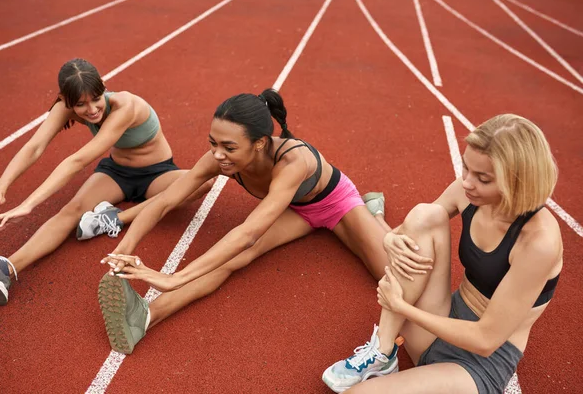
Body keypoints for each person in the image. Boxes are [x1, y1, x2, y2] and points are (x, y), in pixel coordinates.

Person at [94, 88, 432, 355]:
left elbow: (250, 231)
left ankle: (373, 214)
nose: (217, 155)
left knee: (396, 283)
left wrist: (173, 277)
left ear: (259, 144)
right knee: (232, 260)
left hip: (334, 202)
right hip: (293, 209)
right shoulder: (219, 158)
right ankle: (146, 316)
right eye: (212, 143)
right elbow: (166, 199)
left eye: (228, 147)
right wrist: (123, 249)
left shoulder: (293, 161)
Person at [322, 114, 562, 394]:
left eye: (482, 178)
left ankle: (374, 215)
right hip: (443, 318)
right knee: (426, 214)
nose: (467, 182)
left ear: (517, 181)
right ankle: (383, 352)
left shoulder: (537, 242)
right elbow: (414, 230)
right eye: (465, 168)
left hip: (478, 363)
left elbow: (485, 339)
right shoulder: (469, 192)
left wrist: (401, 308)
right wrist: (389, 238)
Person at [0, 58, 212, 306]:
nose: (91, 109)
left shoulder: (126, 106)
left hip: (157, 173)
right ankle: (5, 269)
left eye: (95, 98)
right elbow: (34, 147)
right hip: (117, 173)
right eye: (80, 104)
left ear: (103, 86)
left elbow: (78, 160)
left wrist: (29, 203)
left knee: (201, 184)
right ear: (65, 98)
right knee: (70, 211)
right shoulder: (65, 106)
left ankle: (114, 219)